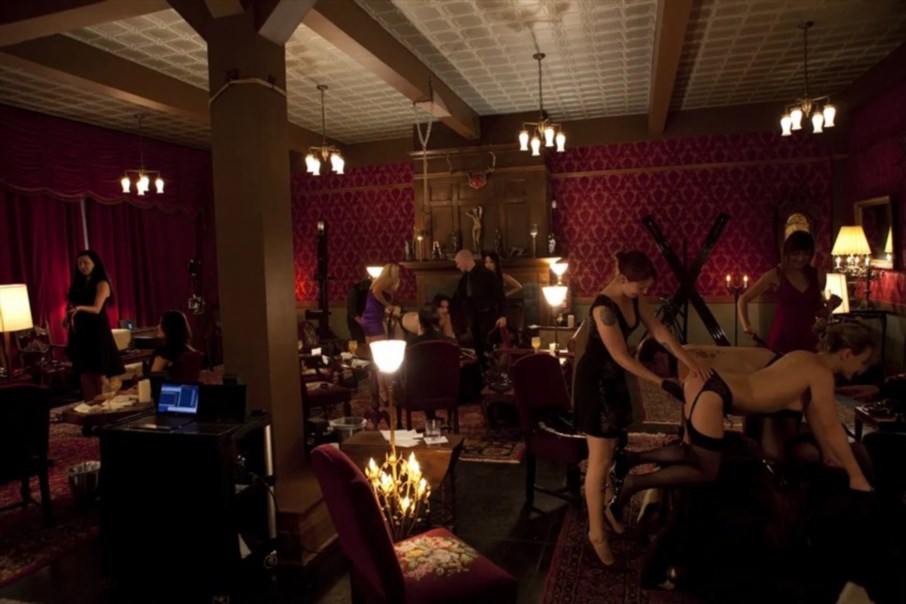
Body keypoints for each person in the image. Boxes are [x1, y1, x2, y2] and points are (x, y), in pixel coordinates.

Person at [609, 321, 876, 539]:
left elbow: (814, 413)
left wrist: (828, 453)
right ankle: (635, 483)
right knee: (706, 470)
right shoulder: (821, 374)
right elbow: (832, 426)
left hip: (711, 386)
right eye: (863, 362)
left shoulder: (802, 356)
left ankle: (632, 462)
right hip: (717, 391)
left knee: (692, 453)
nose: (862, 369)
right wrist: (856, 476)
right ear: (846, 354)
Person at [574, 250, 711, 567]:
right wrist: (661, 382)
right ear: (623, 278)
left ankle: (606, 509)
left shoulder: (633, 296)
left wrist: (690, 361)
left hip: (613, 381)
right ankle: (596, 534)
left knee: (611, 452)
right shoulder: (603, 309)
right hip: (595, 385)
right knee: (599, 460)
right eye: (641, 286)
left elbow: (659, 331)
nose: (645, 291)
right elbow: (621, 356)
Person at [739, 231, 830, 354]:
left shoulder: (819, 275)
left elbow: (818, 310)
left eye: (806, 254)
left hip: (810, 338)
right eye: (796, 254)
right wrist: (746, 326)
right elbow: (743, 299)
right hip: (782, 338)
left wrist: (830, 306)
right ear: (787, 253)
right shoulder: (776, 275)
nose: (801, 258)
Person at [64, 249, 125, 402]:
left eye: (86, 263)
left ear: (94, 263)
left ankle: (106, 405)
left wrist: (79, 308)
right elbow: (72, 305)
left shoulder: (102, 283)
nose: (82, 266)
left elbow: (97, 308)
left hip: (96, 331)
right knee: (84, 373)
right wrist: (67, 317)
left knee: (100, 372)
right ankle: (89, 406)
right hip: (81, 332)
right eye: (79, 264)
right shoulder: (78, 284)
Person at [452, 250, 506, 369]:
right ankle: (481, 373)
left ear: (465, 261)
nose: (457, 266)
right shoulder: (464, 280)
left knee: (488, 350)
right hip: (473, 319)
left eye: (458, 262)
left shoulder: (488, 274)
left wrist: (503, 315)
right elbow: (457, 300)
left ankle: (492, 372)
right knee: (478, 351)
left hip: (489, 317)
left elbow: (500, 296)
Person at [361, 264, 401, 405]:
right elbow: (377, 293)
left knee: (375, 359)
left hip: (369, 320)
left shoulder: (378, 282)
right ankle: (385, 394)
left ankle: (379, 393)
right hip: (373, 321)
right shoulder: (383, 282)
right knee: (383, 359)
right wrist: (387, 304)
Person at [149, 310, 197, 374]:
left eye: (161, 323)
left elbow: (154, 377)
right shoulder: (190, 350)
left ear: (170, 327)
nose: (158, 327)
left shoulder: (164, 354)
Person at [346, 272, 373, 344]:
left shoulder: (371, 291)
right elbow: (352, 311)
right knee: (359, 341)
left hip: (367, 320)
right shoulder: (354, 291)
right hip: (356, 320)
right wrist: (362, 322)